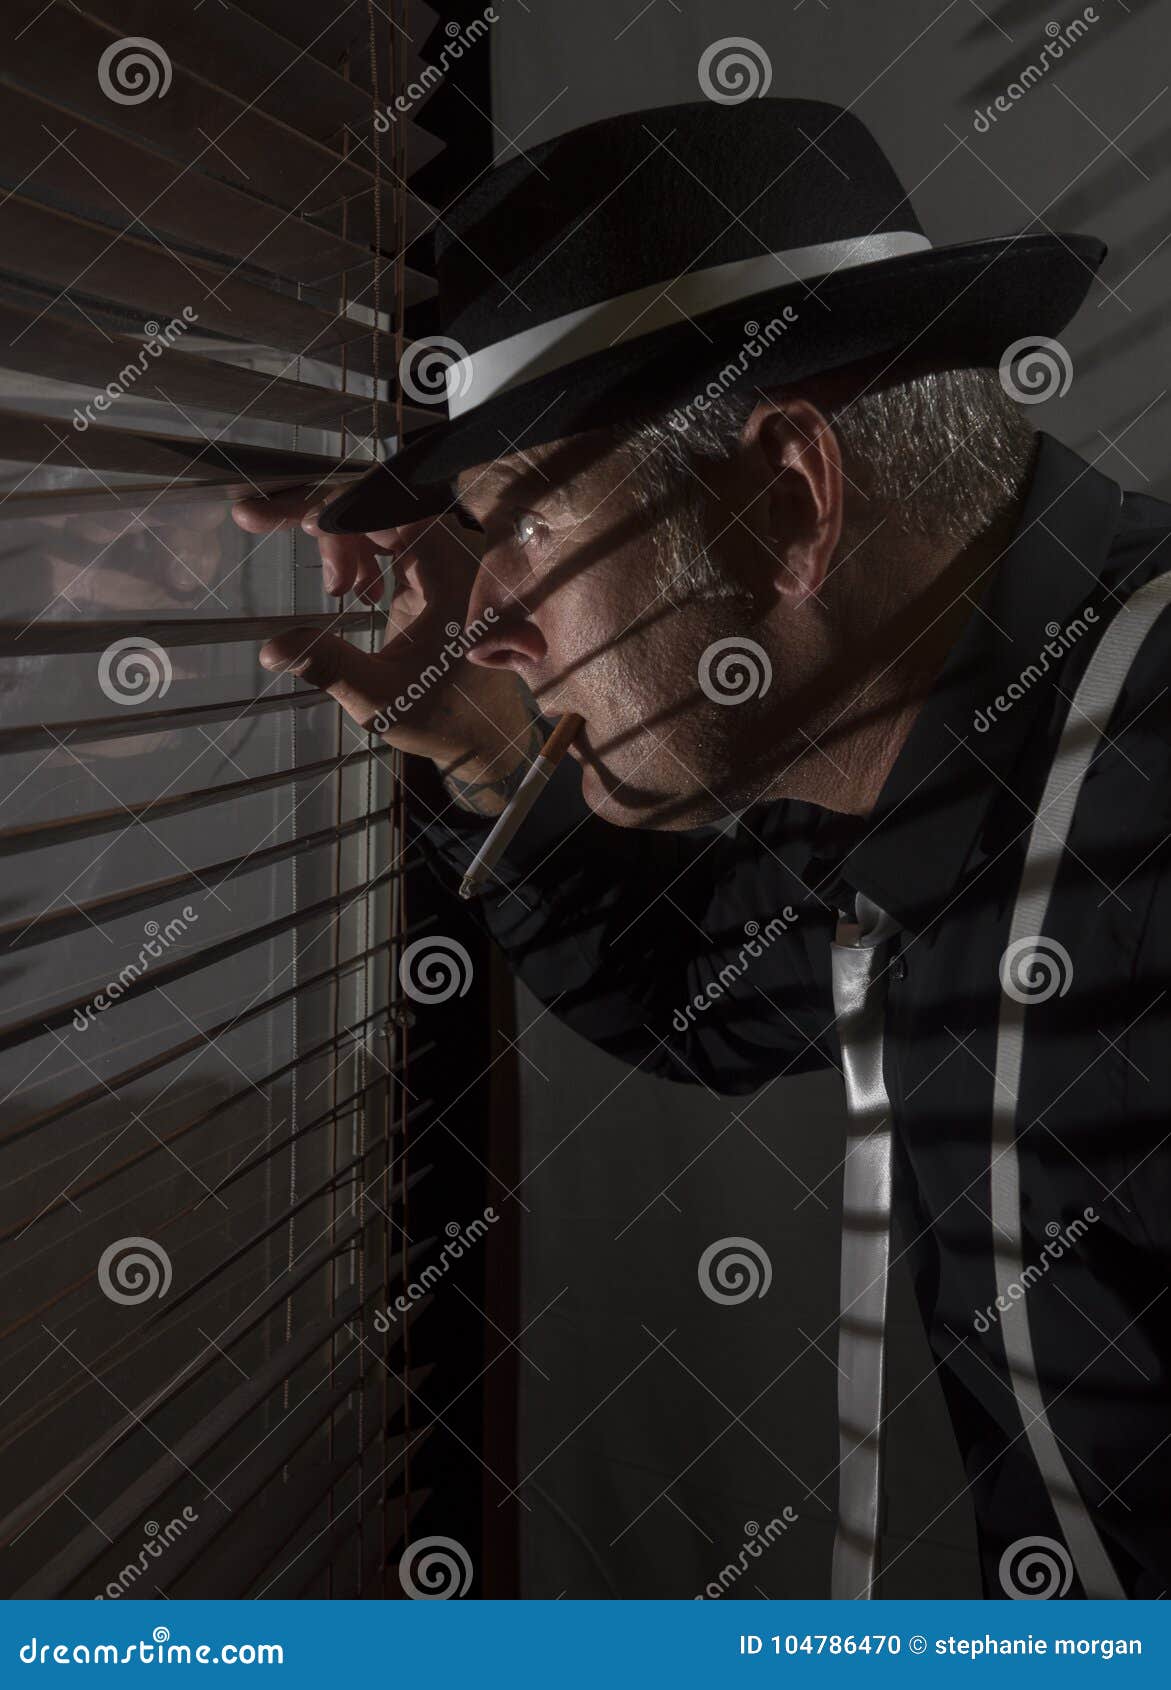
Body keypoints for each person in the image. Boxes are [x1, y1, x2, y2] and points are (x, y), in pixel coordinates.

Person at [233, 98, 1171, 1600]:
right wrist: (493, 754)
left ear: (791, 499)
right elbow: (704, 988)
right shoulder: (944, 761)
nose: (486, 619)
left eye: (524, 530)